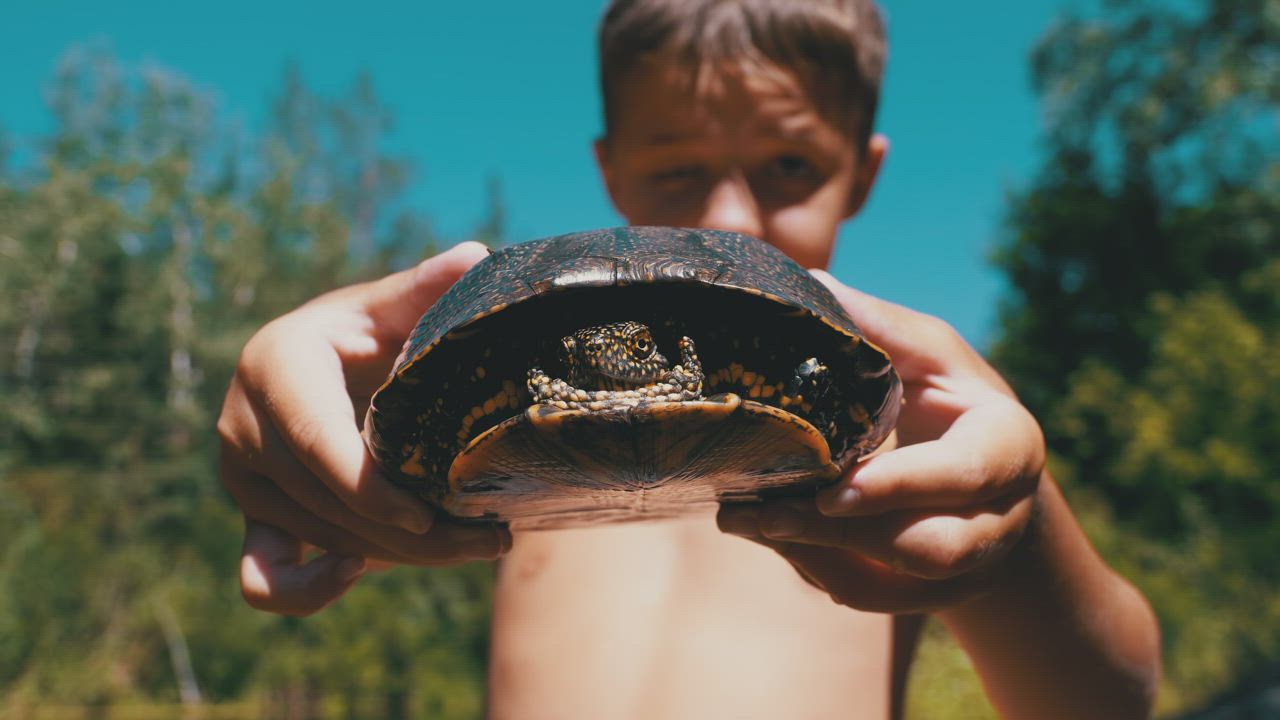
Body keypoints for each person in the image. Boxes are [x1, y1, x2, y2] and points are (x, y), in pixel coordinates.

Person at [217, 1, 1161, 717]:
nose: (729, 217)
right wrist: (291, 424)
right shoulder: (515, 374)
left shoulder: (912, 423)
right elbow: (326, 462)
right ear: (610, 171)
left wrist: (1017, 544)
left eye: (790, 167)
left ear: (862, 173)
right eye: (677, 171)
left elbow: (1107, 699)